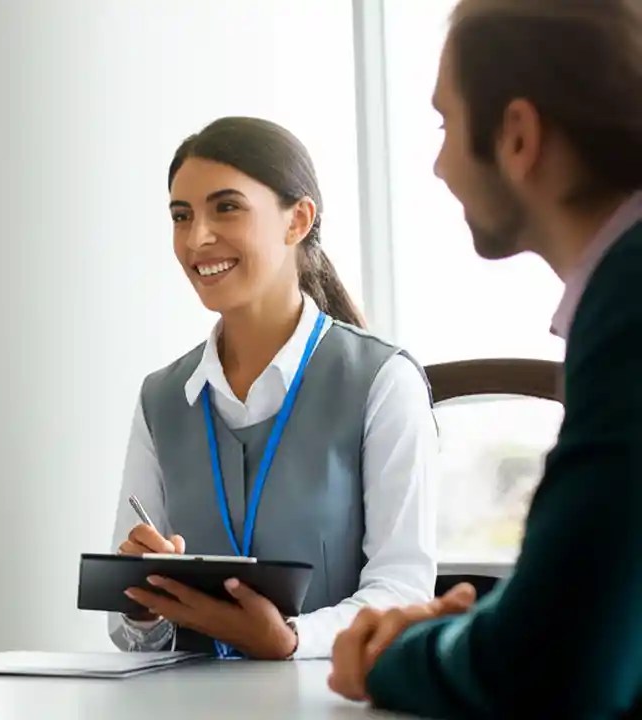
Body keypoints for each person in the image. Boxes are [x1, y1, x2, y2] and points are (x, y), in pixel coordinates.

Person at [328, 0, 642, 715]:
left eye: (444, 124)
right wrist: (489, 631)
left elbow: (559, 672)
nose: (437, 166)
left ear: (518, 135)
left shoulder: (630, 303)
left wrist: (390, 656)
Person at [109, 117, 438, 660]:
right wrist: (142, 607)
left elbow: (403, 592)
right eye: (181, 216)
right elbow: (130, 637)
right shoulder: (161, 399)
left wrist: (290, 638)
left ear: (298, 220)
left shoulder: (383, 382)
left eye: (227, 207)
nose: (197, 238)